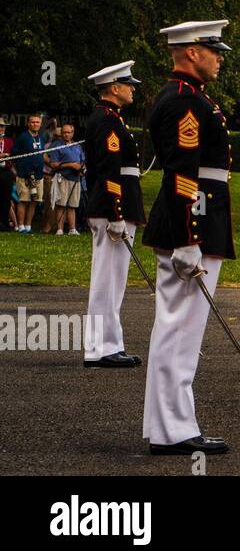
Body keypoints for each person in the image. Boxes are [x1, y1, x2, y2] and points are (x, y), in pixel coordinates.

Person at [141, 20, 235, 455]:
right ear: (193, 52)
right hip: (192, 221)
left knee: (179, 328)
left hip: (195, 219)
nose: (220, 57)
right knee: (180, 329)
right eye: (214, 50)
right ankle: (172, 428)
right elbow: (183, 174)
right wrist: (188, 237)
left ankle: (170, 424)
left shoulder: (189, 97)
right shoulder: (183, 101)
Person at [82, 61, 147, 367]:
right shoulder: (107, 120)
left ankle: (109, 344)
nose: (133, 88)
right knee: (107, 280)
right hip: (111, 207)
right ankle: (100, 348)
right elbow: (109, 169)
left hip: (111, 205)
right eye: (128, 83)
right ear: (113, 88)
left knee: (112, 280)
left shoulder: (110, 118)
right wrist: (116, 213)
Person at [47, 124, 84, 235]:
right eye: (64, 132)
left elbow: (82, 160)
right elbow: (53, 164)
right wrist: (70, 165)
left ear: (72, 133)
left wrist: (80, 167)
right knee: (61, 204)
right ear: (61, 133)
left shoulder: (77, 145)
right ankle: (60, 229)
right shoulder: (56, 145)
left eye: (68, 132)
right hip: (62, 177)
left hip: (75, 178)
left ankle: (72, 229)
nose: (66, 134)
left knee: (73, 205)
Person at [13, 114, 45, 233]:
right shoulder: (23, 137)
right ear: (28, 123)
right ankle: (21, 226)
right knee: (23, 200)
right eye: (32, 122)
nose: (35, 124)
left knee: (34, 201)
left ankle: (28, 226)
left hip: (38, 175)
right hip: (24, 175)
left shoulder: (41, 138)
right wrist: (22, 168)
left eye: (37, 122)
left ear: (40, 124)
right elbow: (14, 154)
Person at [0, 122, 15, 232]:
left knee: (6, 199)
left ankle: (4, 224)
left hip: (6, 172)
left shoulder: (9, 141)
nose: (1, 128)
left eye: (2, 126)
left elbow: (13, 155)